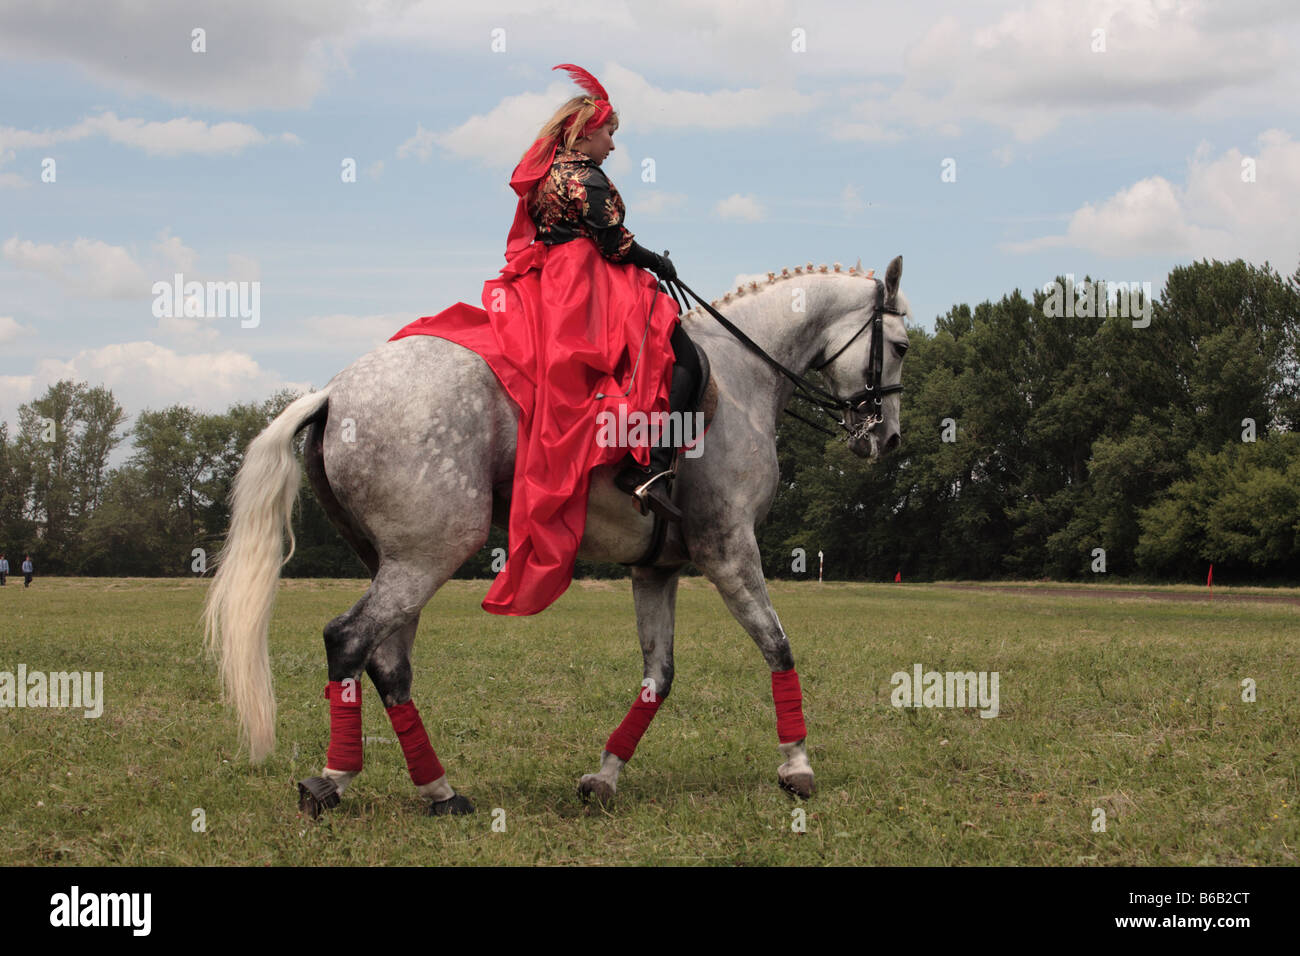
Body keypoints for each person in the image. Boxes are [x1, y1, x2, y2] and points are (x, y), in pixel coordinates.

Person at [392, 63, 701, 617]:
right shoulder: (587, 176)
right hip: (587, 284)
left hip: (548, 281)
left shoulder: (548, 175)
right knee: (674, 355)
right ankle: (650, 462)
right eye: (609, 134)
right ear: (586, 131)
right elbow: (613, 243)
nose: (612, 145)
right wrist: (660, 262)